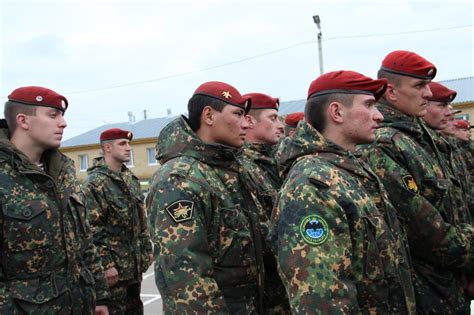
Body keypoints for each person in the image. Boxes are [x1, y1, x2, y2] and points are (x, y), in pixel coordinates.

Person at [269, 70, 416, 313]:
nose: (379, 116)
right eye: (368, 105)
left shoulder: (347, 170)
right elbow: (322, 300)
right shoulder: (312, 185)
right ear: (336, 112)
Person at [362, 50, 474, 313]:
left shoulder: (419, 137)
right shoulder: (385, 144)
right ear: (390, 91)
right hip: (422, 294)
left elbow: (457, 208)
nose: (428, 94)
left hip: (449, 286)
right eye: (419, 86)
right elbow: (427, 233)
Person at [147, 81, 268, 313]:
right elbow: (186, 278)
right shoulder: (179, 179)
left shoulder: (234, 167)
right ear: (209, 116)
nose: (246, 124)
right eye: (237, 114)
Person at [0, 86, 109, 314]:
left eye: (62, 115)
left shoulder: (63, 173)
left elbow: (84, 240)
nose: (63, 123)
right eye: (53, 115)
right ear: (23, 121)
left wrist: (99, 297)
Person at [83, 128, 153, 315]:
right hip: (113, 271)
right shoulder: (95, 183)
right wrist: (106, 265)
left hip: (133, 267)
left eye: (128, 143)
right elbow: (92, 228)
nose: (128, 148)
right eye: (122, 144)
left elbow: (141, 220)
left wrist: (146, 250)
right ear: (107, 147)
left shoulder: (130, 180)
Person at [240, 92, 290, 313]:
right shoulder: (242, 166)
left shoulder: (276, 161)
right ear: (250, 121)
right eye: (273, 118)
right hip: (265, 292)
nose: (280, 126)